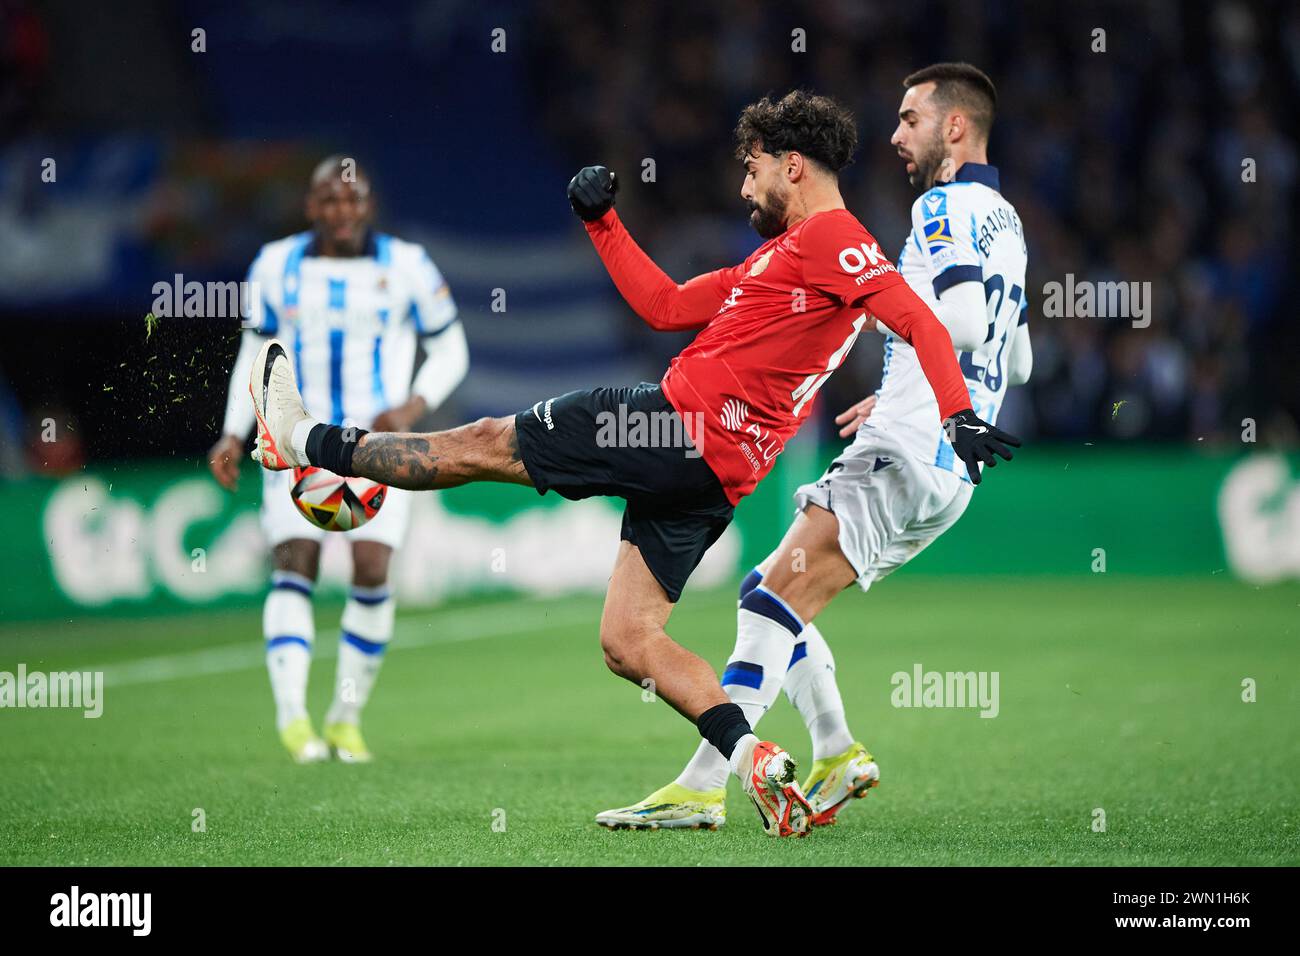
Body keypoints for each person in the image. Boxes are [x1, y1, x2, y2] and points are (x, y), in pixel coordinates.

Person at [246, 92, 1017, 836]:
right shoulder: (781, 260)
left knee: (481, 444)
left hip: (670, 427)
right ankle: (755, 762)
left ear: (793, 166)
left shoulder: (832, 240)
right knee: (627, 640)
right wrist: (602, 220)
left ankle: (306, 440)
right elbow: (666, 304)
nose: (744, 186)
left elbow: (917, 317)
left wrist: (955, 412)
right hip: (713, 479)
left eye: (751, 169)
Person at [596, 64, 1031, 830]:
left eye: (910, 119)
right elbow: (1015, 359)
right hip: (951, 474)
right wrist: (906, 388)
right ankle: (834, 749)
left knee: (768, 600)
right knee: (775, 593)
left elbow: (954, 322)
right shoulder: (1010, 222)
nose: (896, 136)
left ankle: (705, 785)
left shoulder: (941, 205)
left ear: (955, 127)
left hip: (912, 442)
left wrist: (912, 392)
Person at [208, 156, 468, 763]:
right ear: (311, 207)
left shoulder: (407, 265)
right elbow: (256, 346)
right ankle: (294, 719)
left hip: (380, 448)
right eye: (329, 200)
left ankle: (346, 718)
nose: (341, 211)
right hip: (294, 442)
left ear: (368, 205)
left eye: (352, 200)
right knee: (295, 564)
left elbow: (450, 345)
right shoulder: (276, 265)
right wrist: (230, 433)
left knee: (372, 570)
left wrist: (410, 408)